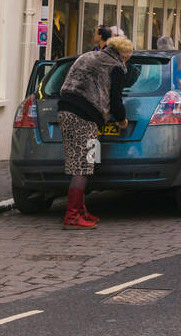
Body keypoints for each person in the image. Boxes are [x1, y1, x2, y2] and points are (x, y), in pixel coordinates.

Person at [57, 32, 133, 228]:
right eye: (128, 57)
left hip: (65, 110)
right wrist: (122, 121)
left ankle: (82, 210)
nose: (127, 61)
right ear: (123, 54)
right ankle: (73, 216)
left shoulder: (88, 56)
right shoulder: (115, 67)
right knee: (83, 165)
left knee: (88, 161)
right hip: (86, 117)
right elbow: (116, 101)